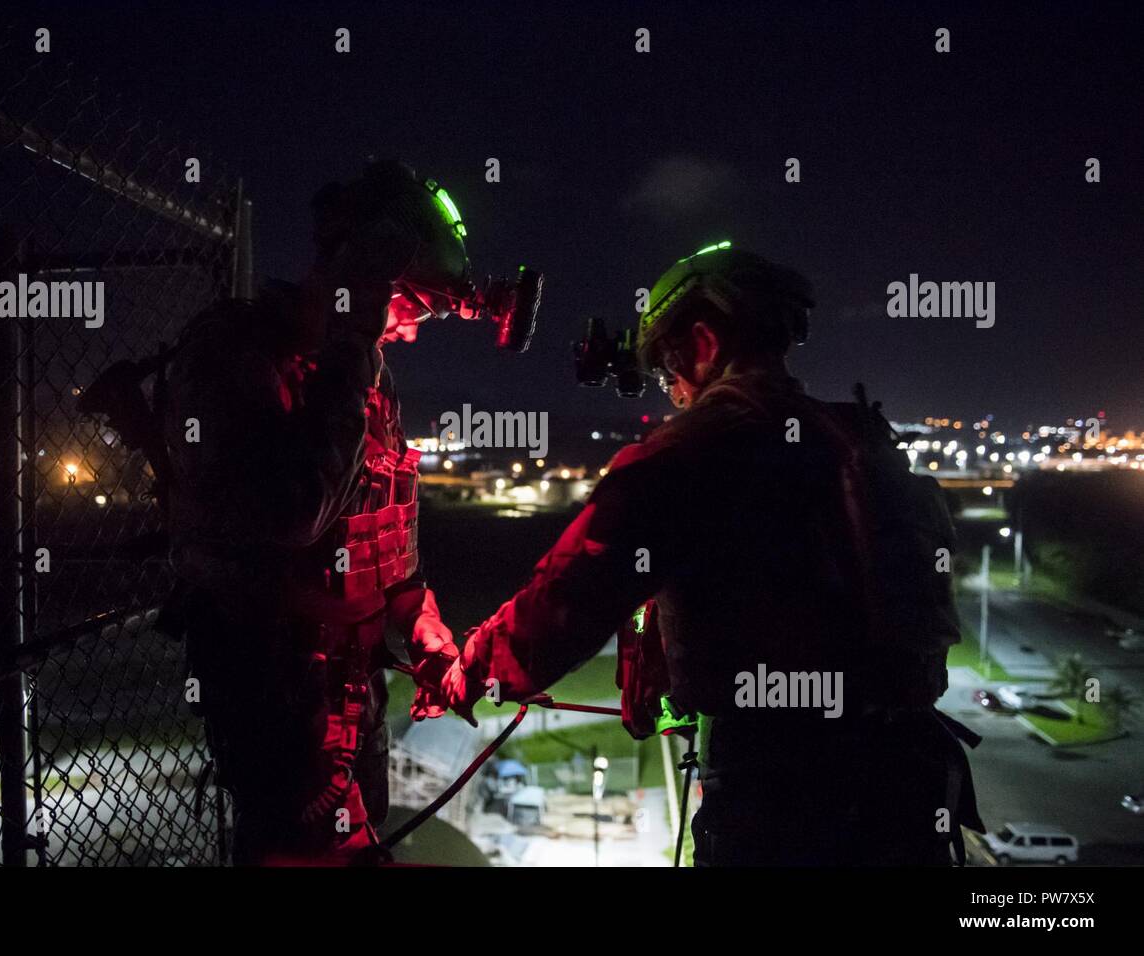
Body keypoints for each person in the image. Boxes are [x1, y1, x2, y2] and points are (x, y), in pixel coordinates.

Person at [442, 242, 983, 866]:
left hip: (782, 807)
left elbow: (572, 594)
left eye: (668, 366)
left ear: (702, 343)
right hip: (906, 792)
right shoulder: (847, 437)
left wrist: (475, 665)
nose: (670, 389)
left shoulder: (697, 451)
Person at [163, 160, 469, 864]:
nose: (411, 332)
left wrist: (423, 630)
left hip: (356, 688)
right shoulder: (233, 353)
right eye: (406, 306)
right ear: (355, 274)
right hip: (274, 691)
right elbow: (291, 513)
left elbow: (391, 550)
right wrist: (353, 343)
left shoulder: (366, 376)